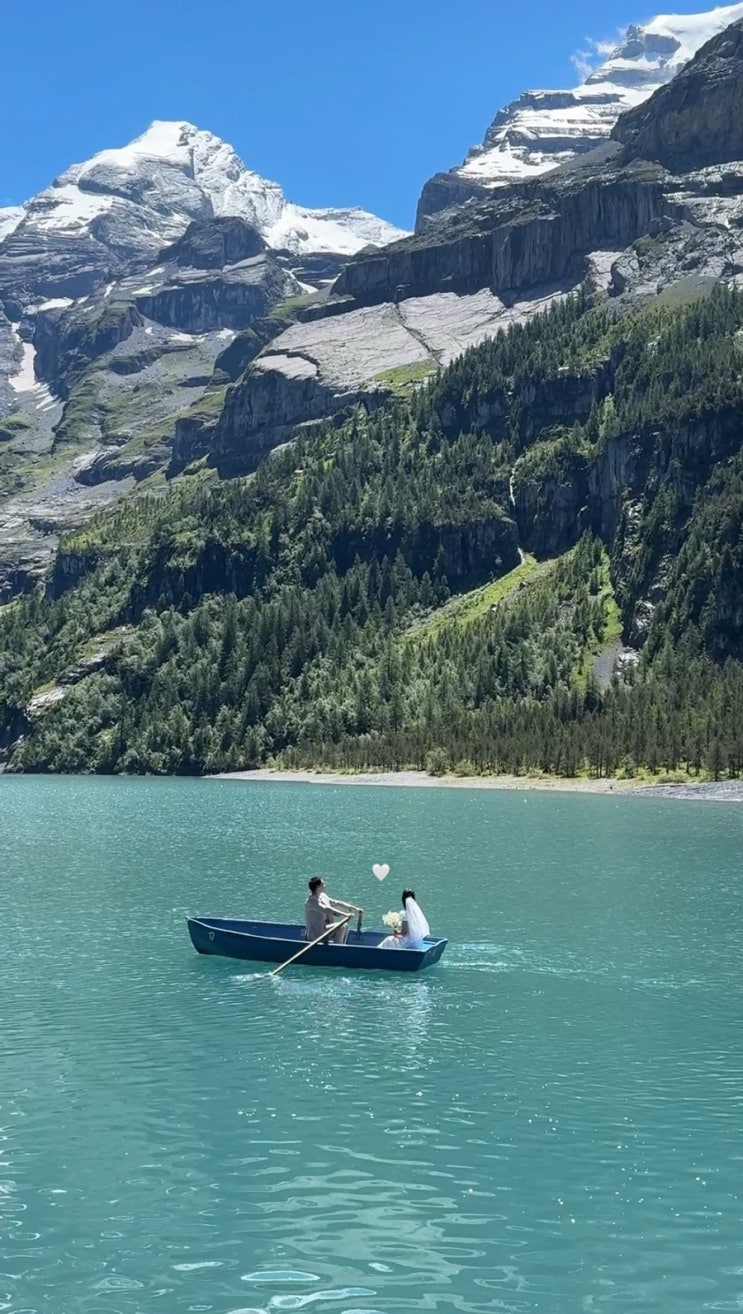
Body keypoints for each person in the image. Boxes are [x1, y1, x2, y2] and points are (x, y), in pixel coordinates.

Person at [304, 877, 362, 945]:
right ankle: (337, 949)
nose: (325, 886)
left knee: (344, 926)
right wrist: (345, 914)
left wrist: (355, 908)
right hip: (315, 935)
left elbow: (336, 903)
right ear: (318, 887)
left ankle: (340, 946)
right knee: (341, 926)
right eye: (323, 884)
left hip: (324, 930)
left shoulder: (323, 896)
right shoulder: (311, 901)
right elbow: (325, 909)